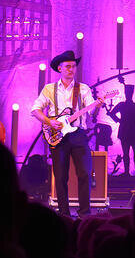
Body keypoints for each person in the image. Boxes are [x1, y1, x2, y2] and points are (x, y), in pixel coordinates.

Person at [31, 50, 103, 218]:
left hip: (78, 135)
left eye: (74, 66)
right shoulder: (50, 89)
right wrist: (49, 122)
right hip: (57, 135)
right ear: (60, 68)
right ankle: (63, 213)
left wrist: (97, 105)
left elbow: (90, 108)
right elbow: (35, 110)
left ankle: (84, 214)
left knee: (85, 172)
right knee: (60, 175)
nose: (71, 69)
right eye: (68, 66)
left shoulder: (83, 88)